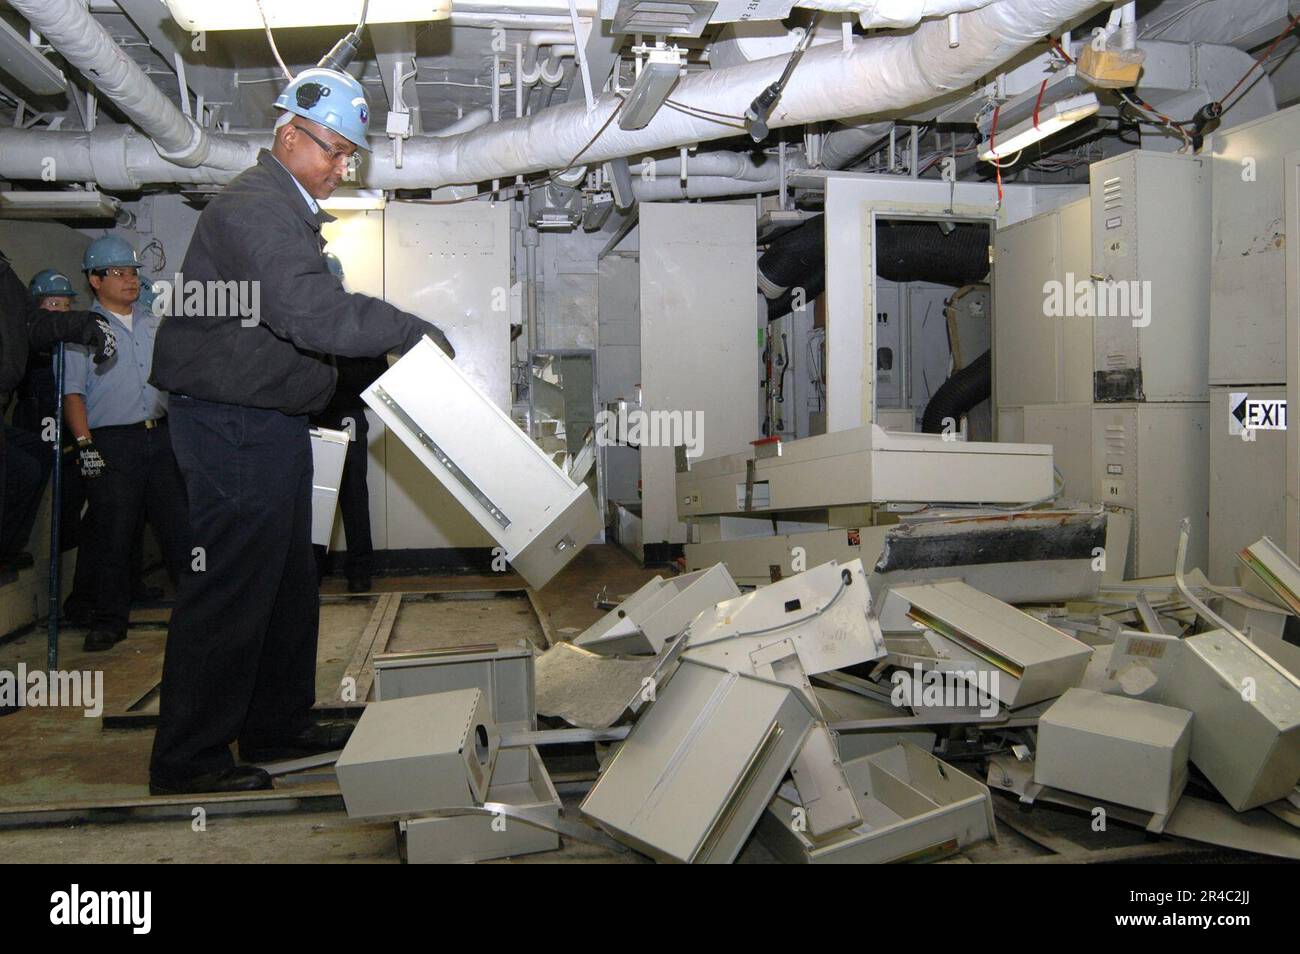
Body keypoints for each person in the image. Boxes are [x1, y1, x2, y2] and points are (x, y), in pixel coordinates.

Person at [147, 66, 455, 795]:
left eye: (351, 156)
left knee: (286, 581)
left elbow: (296, 325)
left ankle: (275, 724)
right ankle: (188, 759)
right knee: (231, 586)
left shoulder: (283, 213)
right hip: (232, 427)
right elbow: (309, 314)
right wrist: (409, 330)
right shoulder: (253, 208)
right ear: (290, 135)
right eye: (335, 151)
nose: (342, 168)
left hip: (268, 424)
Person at [64, 236, 192, 652]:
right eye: (118, 273)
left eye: (133, 272)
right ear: (94, 280)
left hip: (161, 435)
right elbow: (73, 394)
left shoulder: (155, 323)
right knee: (114, 534)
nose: (130, 280)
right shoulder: (82, 332)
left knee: (178, 529)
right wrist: (85, 446)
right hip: (112, 442)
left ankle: (197, 615)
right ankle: (109, 621)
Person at [0, 251, 114, 595]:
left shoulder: (3, 272)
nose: (59, 308)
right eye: (55, 303)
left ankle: (7, 552)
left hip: (49, 432)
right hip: (38, 420)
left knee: (31, 464)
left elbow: (30, 323)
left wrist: (78, 325)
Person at [309, 252, 386, 592]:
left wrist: (333, 381)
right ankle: (310, 573)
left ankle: (359, 573)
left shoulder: (357, 321)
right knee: (311, 500)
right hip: (310, 420)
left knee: (353, 497)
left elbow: (375, 373)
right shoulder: (300, 317)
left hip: (344, 418)